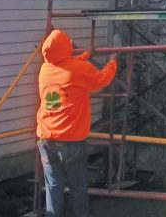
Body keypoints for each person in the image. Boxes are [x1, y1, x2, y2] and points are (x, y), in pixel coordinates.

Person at [36, 29, 117, 217]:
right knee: (78, 185)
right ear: (66, 48)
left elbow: (69, 66)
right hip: (70, 140)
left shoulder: (45, 69)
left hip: (45, 139)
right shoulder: (80, 70)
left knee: (53, 186)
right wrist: (113, 62)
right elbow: (102, 79)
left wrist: (86, 54)